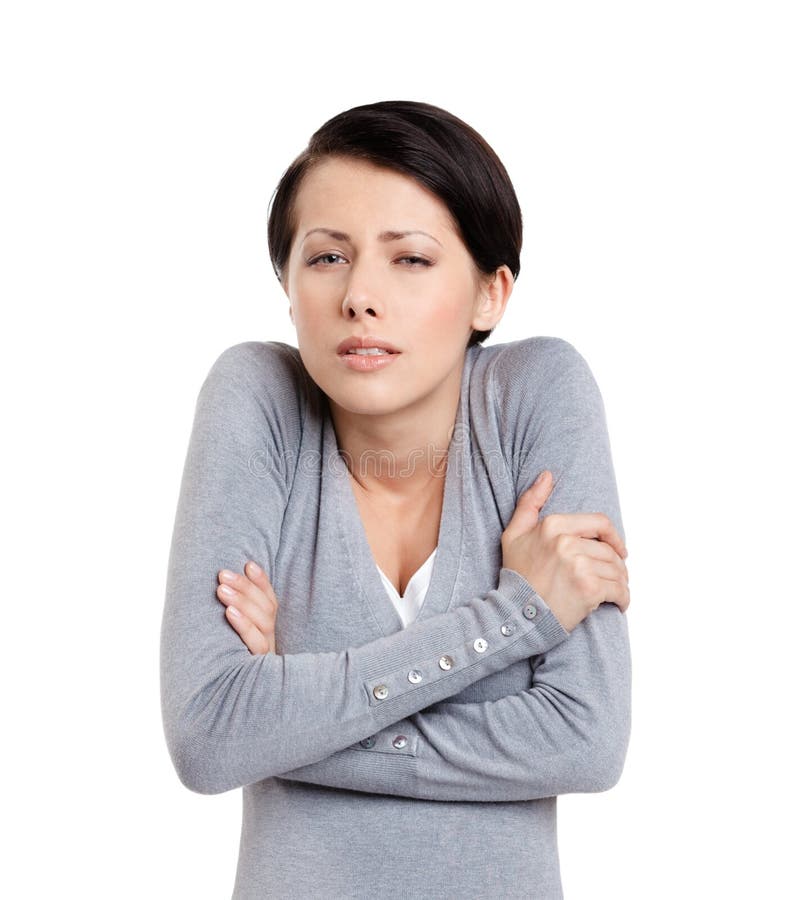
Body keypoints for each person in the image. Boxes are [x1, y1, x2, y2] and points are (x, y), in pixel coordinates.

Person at [160, 99, 631, 899]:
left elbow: (586, 739)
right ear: (288, 283)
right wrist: (517, 617)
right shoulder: (258, 400)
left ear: (491, 293)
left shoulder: (536, 397)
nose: (359, 297)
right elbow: (206, 735)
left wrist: (286, 717)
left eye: (409, 259)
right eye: (327, 258)